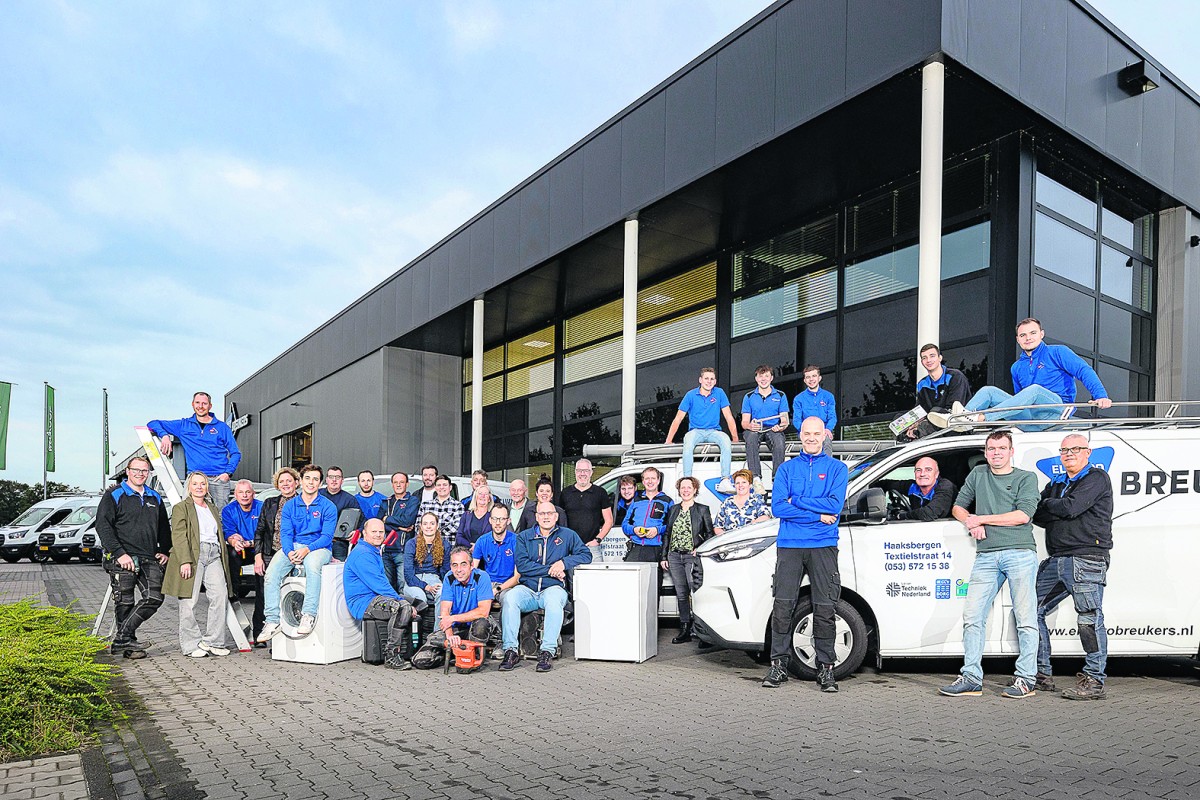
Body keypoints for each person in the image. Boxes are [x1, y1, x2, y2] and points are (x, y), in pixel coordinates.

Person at [940, 430, 1041, 698]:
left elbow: (1023, 516)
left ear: (1011, 452)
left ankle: (1026, 679)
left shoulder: (1026, 478)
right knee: (973, 617)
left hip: (1020, 552)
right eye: (992, 449)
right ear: (985, 452)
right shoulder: (978, 474)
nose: (996, 453)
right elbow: (958, 507)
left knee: (1025, 619)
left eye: (1002, 448)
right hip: (986, 555)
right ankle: (971, 677)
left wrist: (982, 519)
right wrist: (969, 521)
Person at [763, 417, 848, 693]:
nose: (811, 438)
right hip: (790, 544)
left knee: (825, 608)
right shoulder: (786, 469)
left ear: (824, 436)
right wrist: (817, 515)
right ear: (800, 435)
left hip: (823, 545)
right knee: (783, 606)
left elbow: (834, 506)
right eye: (807, 433)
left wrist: (797, 501)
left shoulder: (837, 469)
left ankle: (826, 668)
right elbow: (778, 508)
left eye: (816, 433)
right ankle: (778, 665)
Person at [1032, 434, 1114, 700]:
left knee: (1089, 619)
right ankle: (1041, 674)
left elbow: (1071, 507)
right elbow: (1037, 514)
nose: (1069, 454)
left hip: (1086, 559)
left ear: (1087, 453)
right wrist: (1056, 507)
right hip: (1056, 559)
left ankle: (1094, 681)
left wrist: (1052, 505)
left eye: (1076, 449)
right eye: (1064, 450)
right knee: (1029, 611)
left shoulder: (1096, 478)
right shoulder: (1057, 482)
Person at [929, 319, 1111, 429]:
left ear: (1042, 334)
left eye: (1032, 333)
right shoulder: (1016, 367)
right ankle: (962, 419)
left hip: (1056, 412)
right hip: (1031, 419)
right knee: (988, 391)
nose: (1028, 337)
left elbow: (1083, 370)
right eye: (1023, 335)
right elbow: (1019, 399)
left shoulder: (1057, 352)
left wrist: (1100, 395)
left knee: (1034, 390)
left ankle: (978, 418)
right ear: (1018, 339)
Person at [498, 502, 592, 673]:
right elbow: (523, 565)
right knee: (510, 597)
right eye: (542, 514)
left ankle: (547, 651)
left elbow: (586, 555)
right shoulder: (524, 537)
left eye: (549, 513)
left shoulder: (568, 535)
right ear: (536, 517)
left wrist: (563, 563)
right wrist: (551, 570)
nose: (546, 517)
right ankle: (510, 650)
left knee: (554, 600)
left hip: (553, 588)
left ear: (556, 516)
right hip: (528, 589)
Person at [95, 455, 171, 659]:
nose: (140, 474)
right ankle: (129, 647)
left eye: (144, 470)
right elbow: (103, 526)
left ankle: (121, 639)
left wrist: (165, 549)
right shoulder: (114, 495)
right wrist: (120, 554)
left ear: (149, 473)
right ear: (127, 472)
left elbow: (164, 527)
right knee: (125, 602)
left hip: (148, 557)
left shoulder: (154, 497)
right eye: (136, 470)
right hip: (122, 559)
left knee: (154, 597)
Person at [258, 464, 337, 641]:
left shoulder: (328, 506)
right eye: (307, 478)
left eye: (315, 479)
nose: (311, 482)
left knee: (312, 565)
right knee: (271, 573)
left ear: (320, 483)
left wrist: (307, 549)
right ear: (300, 481)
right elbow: (286, 534)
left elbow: (326, 537)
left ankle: (308, 615)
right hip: (293, 546)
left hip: (320, 548)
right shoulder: (290, 506)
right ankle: (272, 621)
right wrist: (288, 552)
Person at [164, 472, 235, 658]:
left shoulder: (212, 508)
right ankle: (190, 644)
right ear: (189, 486)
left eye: (202, 483)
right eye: (195, 484)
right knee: (189, 600)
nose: (199, 487)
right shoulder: (181, 508)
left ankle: (214, 641)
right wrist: (185, 560)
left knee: (220, 596)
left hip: (214, 554)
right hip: (193, 554)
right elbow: (178, 535)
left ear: (207, 487)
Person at [343, 518, 415, 670]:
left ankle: (415, 650)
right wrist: (401, 601)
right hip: (363, 602)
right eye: (374, 531)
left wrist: (406, 601)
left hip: (376, 597)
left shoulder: (372, 551)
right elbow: (380, 585)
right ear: (364, 533)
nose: (378, 535)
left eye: (381, 532)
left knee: (418, 603)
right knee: (402, 608)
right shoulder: (362, 554)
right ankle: (391, 656)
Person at [148, 391, 240, 509]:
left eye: (204, 403)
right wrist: (164, 436)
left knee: (220, 516)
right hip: (194, 478)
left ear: (210, 406)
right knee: (187, 513)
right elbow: (152, 423)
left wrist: (227, 473)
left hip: (218, 479)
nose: (200, 406)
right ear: (192, 404)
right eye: (197, 403)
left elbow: (236, 453)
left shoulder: (222, 427)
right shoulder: (184, 425)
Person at [415, 546, 495, 671]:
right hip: (457, 628)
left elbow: (483, 612)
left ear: (471, 565)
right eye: (454, 565)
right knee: (421, 660)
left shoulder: (482, 577)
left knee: (481, 624)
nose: (459, 570)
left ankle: (474, 656)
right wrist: (450, 637)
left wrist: (452, 619)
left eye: (463, 564)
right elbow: (445, 612)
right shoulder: (449, 577)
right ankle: (453, 652)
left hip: (475, 627)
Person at [659, 476, 715, 644]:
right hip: (674, 556)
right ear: (679, 490)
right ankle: (685, 629)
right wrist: (664, 556)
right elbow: (667, 533)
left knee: (696, 593)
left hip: (693, 556)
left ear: (695, 489)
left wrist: (701, 548)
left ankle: (703, 632)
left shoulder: (702, 509)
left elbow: (710, 534)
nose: (685, 490)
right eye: (682, 487)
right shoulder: (673, 509)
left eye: (689, 487)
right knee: (681, 594)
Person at [665, 366, 739, 489]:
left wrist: (735, 439)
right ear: (700, 380)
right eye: (706, 378)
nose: (709, 381)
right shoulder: (690, 395)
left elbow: (729, 416)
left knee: (726, 440)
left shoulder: (719, 393)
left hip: (714, 431)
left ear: (715, 381)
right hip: (695, 431)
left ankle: (725, 479)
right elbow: (678, 418)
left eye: (712, 379)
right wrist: (668, 440)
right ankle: (687, 479)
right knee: (688, 443)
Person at [252, 466, 299, 645]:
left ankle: (283, 642)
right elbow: (260, 531)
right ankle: (261, 634)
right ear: (277, 485)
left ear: (296, 483)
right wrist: (258, 556)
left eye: (289, 481)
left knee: (290, 595)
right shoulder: (269, 503)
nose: (285, 484)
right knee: (264, 594)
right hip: (270, 553)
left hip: (294, 554)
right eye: (282, 481)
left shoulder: (302, 503)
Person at [894, 344, 973, 440]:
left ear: (940, 358)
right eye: (924, 358)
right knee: (899, 418)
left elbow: (954, 408)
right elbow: (920, 410)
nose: (928, 360)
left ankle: (917, 433)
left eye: (932, 356)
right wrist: (914, 422)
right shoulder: (922, 383)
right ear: (922, 362)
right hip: (931, 425)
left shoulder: (955, 376)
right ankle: (908, 436)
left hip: (956, 426)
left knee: (935, 412)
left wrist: (921, 423)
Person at [220, 479, 262, 637]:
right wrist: (234, 540)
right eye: (241, 492)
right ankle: (233, 592)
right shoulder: (228, 510)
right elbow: (229, 532)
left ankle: (262, 593)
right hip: (240, 549)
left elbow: (265, 533)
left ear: (253, 494)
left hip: (258, 548)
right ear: (235, 495)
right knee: (231, 553)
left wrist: (250, 542)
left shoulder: (261, 507)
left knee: (265, 564)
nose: (244, 495)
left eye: (247, 492)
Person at [741, 364, 789, 493]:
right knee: (750, 437)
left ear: (771, 378)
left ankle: (777, 479)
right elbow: (744, 422)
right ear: (756, 378)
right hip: (755, 428)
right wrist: (750, 426)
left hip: (773, 428)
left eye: (766, 376)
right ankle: (756, 478)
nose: (763, 379)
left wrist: (781, 426)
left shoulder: (780, 395)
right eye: (761, 376)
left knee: (779, 441)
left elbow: (785, 420)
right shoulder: (749, 396)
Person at [378, 472, 421, 592]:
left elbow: (407, 521)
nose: (398, 485)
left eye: (401, 482)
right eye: (395, 482)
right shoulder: (386, 502)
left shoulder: (412, 501)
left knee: (403, 586)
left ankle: (404, 604)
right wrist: (399, 527)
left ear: (407, 484)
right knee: (387, 586)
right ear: (392, 484)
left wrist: (387, 519)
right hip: (385, 549)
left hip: (402, 550)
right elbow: (378, 524)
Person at [558, 459, 613, 554]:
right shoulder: (565, 493)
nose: (582, 474)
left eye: (586, 471)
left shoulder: (600, 492)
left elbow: (609, 520)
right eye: (579, 470)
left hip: (592, 547)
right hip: (570, 548)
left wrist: (597, 540)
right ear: (575, 472)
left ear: (591, 472)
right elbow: (559, 520)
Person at [621, 467, 673, 566]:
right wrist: (634, 530)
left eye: (653, 478)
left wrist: (657, 530)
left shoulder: (667, 501)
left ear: (658, 480)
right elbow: (625, 525)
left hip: (657, 549)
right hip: (636, 548)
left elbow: (671, 526)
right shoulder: (636, 500)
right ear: (643, 481)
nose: (650, 481)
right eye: (647, 478)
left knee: (654, 576)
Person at [403, 513, 448, 625]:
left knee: (443, 594)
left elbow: (446, 571)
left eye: (432, 523)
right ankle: (417, 631)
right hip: (414, 580)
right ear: (421, 526)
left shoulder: (445, 544)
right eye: (425, 523)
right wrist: (426, 586)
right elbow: (408, 574)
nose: (428, 526)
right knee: (420, 598)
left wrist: (444, 585)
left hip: (434, 579)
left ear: (437, 526)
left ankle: (438, 631)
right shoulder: (411, 544)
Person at [882, 457, 956, 521]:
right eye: (918, 470)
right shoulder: (912, 486)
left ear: (936, 474)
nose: (922, 474)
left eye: (928, 470)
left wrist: (901, 515)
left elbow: (929, 513)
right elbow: (885, 484)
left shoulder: (945, 487)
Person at [473, 504, 520, 598]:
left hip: (509, 586)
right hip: (488, 584)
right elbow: (472, 569)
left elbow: (517, 578)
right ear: (490, 520)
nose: (498, 523)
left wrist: (497, 589)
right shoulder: (482, 541)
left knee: (509, 598)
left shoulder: (517, 541)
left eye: (502, 519)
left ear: (508, 521)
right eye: (494, 519)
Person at [320, 466, 362, 561]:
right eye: (331, 477)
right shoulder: (317, 496)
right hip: (317, 541)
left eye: (337, 477)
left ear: (342, 480)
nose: (334, 480)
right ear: (326, 479)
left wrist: (358, 532)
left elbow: (362, 521)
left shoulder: (350, 500)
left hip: (339, 544)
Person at [792, 366, 836, 456]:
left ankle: (826, 465)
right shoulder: (798, 399)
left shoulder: (828, 396)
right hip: (806, 432)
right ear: (804, 380)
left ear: (819, 378)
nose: (811, 379)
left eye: (814, 376)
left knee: (826, 441)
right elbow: (796, 420)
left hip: (823, 431)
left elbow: (832, 417)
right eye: (808, 377)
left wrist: (828, 429)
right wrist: (805, 431)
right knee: (809, 443)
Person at [713, 469, 771, 535]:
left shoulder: (756, 499)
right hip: (730, 540)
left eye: (744, 482)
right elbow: (717, 527)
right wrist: (726, 537)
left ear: (750, 485)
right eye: (737, 483)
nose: (740, 485)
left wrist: (752, 524)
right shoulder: (727, 502)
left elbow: (766, 517)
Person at [420, 474, 464, 539]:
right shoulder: (425, 505)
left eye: (445, 485)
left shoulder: (458, 506)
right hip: (427, 543)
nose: (441, 487)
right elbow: (418, 525)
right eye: (439, 485)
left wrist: (434, 532)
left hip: (449, 543)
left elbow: (457, 526)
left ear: (450, 487)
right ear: (435, 488)